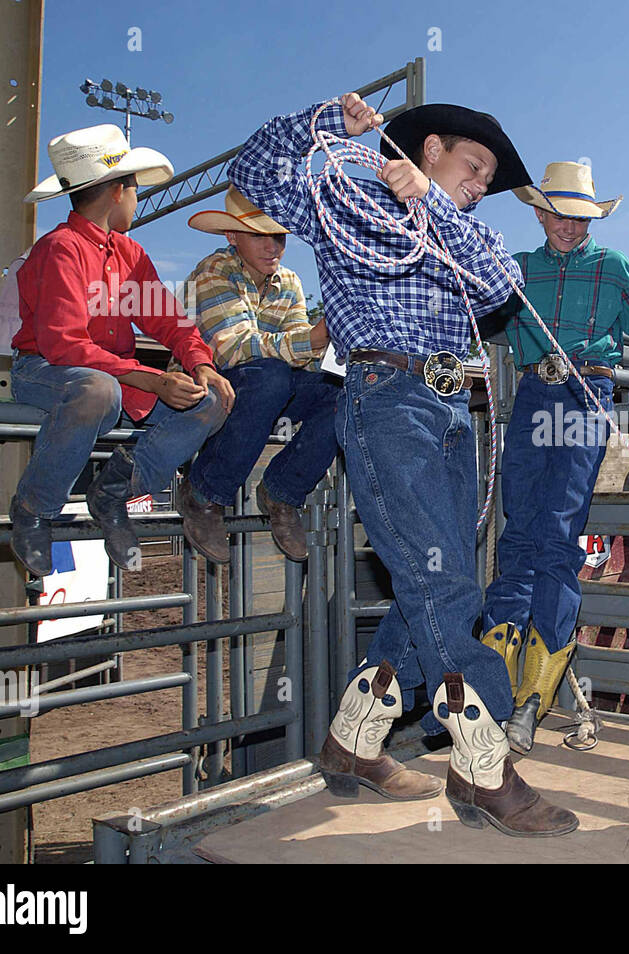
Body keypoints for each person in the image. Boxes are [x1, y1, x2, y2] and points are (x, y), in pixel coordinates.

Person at [230, 94, 578, 836]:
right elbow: (252, 170)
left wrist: (439, 209)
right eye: (472, 165)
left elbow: (496, 288)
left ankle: (352, 739)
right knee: (445, 583)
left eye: (488, 175)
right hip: (386, 396)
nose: (481, 183)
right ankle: (483, 765)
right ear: (429, 150)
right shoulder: (346, 194)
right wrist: (326, 122)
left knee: (438, 582)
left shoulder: (467, 232)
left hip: (452, 409)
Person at [479, 161, 629, 754]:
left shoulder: (613, 268)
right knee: (517, 534)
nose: (568, 226)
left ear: (592, 218)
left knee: (555, 534)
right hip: (531, 395)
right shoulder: (514, 270)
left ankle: (531, 699)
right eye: (557, 213)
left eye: (579, 216)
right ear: (537, 211)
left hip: (584, 396)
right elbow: (472, 319)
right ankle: (496, 691)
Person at [9, 124, 234, 578]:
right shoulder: (60, 249)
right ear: (117, 191)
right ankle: (34, 509)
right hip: (44, 370)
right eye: (135, 189)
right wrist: (152, 379)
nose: (138, 199)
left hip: (108, 378)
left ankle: (114, 492)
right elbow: (63, 344)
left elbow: (169, 321)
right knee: (97, 391)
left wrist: (201, 363)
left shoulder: (129, 254)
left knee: (212, 399)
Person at [177, 186, 340, 563]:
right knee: (271, 377)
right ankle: (204, 493)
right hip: (205, 386)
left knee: (341, 391)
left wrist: (317, 344)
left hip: (261, 389)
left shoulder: (290, 281)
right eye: (259, 235)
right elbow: (232, 349)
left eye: (279, 236)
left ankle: (283, 491)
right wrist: (313, 338)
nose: (273, 247)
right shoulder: (214, 270)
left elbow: (299, 354)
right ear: (232, 236)